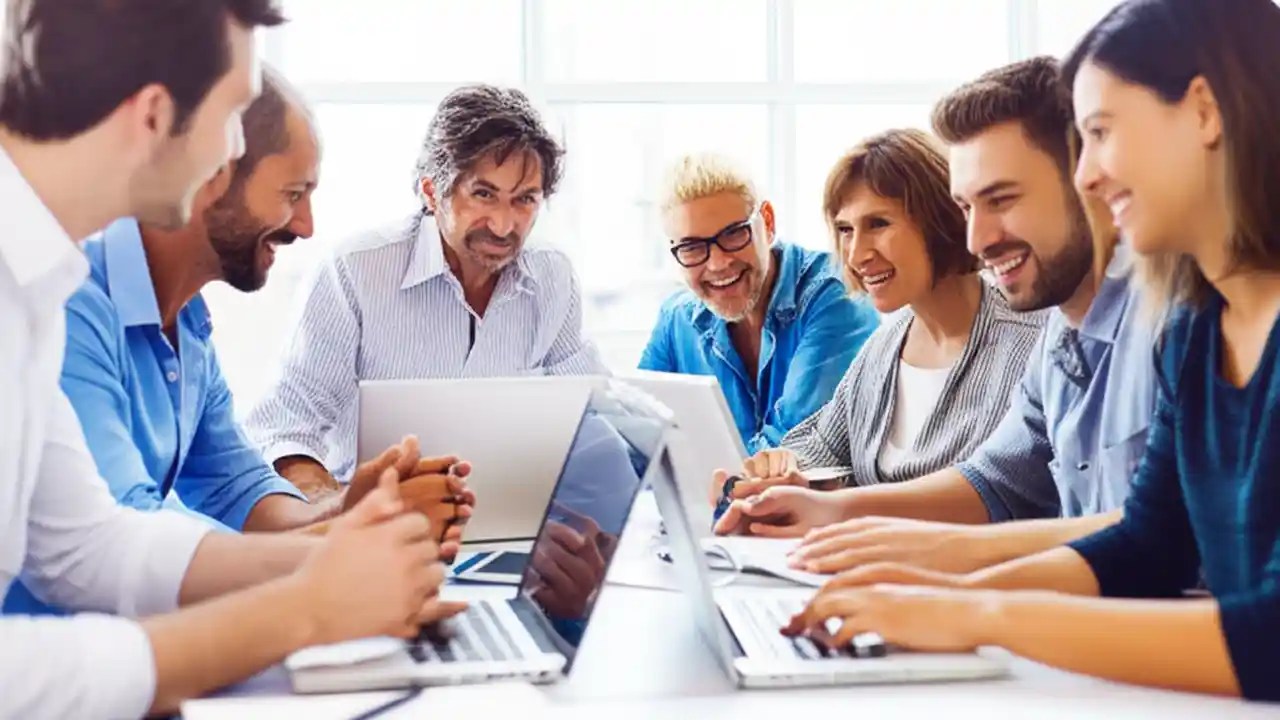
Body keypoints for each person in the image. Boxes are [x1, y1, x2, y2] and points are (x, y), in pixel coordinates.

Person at [785, 0, 1280, 701]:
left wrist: (977, 609)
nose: (1088, 176)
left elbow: (1269, 637)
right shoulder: (1203, 328)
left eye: (1102, 134)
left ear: (1204, 111)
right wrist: (929, 593)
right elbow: (1148, 542)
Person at [0, 3, 458, 716]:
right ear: (154, 115)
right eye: (236, 113)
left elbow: (86, 547)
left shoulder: (34, 283)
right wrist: (305, 606)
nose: (236, 147)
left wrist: (344, 557)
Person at [716, 56, 1160, 577]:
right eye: (968, 208)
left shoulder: (1174, 324)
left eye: (1002, 199)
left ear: (1090, 179)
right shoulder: (1058, 335)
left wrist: (929, 563)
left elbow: (1157, 535)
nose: (979, 240)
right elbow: (996, 480)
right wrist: (834, 510)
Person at [245, 84, 606, 498]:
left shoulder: (552, 277)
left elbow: (594, 418)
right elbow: (282, 428)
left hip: (510, 528)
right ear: (433, 191)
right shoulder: (356, 271)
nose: (504, 226)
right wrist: (334, 513)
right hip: (375, 532)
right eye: (483, 195)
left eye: (524, 200)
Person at [710, 129, 1043, 517]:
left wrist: (839, 506)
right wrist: (785, 471)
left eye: (879, 224)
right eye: (845, 230)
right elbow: (822, 444)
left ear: (941, 218)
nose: (856, 253)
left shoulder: (1029, 342)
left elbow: (1005, 492)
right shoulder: (886, 345)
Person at [639, 153, 880, 454]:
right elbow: (638, 432)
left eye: (733, 234)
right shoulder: (677, 317)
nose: (718, 263)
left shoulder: (834, 296)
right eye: (692, 247)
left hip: (812, 498)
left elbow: (795, 444)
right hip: (721, 497)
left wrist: (709, 477)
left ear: (766, 222)